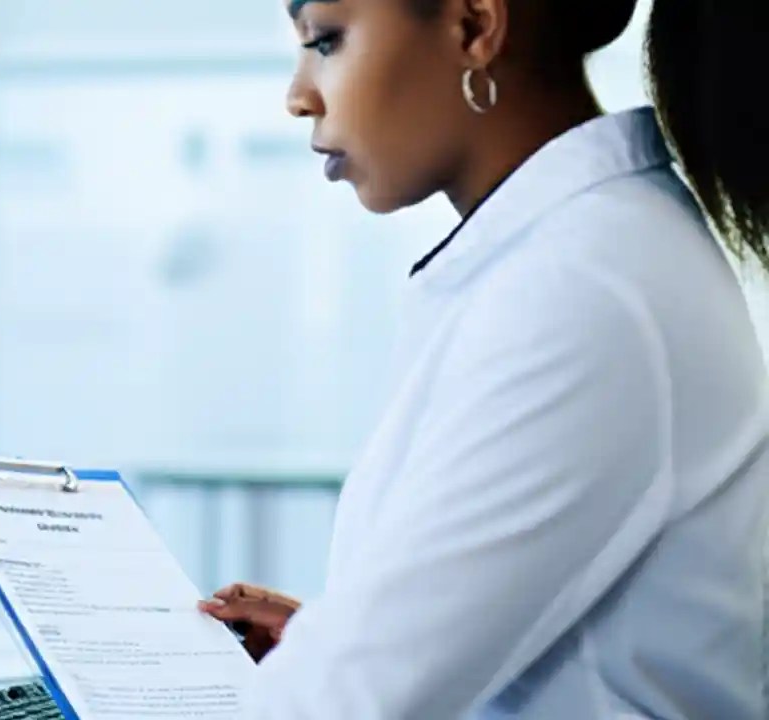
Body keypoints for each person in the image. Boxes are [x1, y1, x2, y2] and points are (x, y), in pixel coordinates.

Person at [199, 0, 769, 717]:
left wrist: (348, 659)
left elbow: (345, 701)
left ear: (474, 26)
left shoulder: (583, 284)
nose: (298, 95)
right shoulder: (582, 250)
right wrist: (341, 638)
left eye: (326, 41)